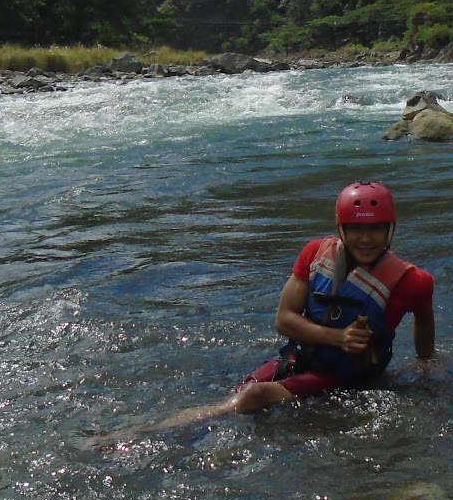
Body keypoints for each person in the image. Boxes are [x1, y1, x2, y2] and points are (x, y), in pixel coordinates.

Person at [95, 181, 434, 442]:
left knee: (253, 396)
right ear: (341, 229)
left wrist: (424, 364)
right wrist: (338, 337)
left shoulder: (414, 281)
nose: (365, 238)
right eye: (356, 229)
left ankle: (141, 436)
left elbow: (424, 320)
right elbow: (284, 320)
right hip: (301, 357)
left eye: (375, 228)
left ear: (390, 230)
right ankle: (173, 432)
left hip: (349, 376)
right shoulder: (315, 253)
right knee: (236, 398)